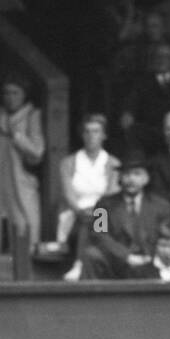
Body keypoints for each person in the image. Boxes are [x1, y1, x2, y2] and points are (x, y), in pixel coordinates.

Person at [0, 74, 45, 255]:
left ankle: (26, 260)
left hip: (20, 178)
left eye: (15, 93)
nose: (10, 97)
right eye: (7, 93)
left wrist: (18, 137)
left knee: (25, 220)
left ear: (24, 95)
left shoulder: (32, 115)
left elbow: (38, 151)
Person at [80, 152, 170, 279]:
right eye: (127, 174)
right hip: (117, 262)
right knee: (91, 254)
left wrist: (148, 257)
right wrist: (126, 256)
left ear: (146, 179)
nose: (131, 179)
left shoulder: (162, 206)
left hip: (150, 262)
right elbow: (98, 234)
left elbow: (167, 236)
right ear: (120, 178)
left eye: (137, 174)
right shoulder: (103, 204)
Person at [54, 113, 119, 279]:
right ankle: (80, 262)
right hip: (75, 214)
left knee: (96, 217)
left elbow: (111, 192)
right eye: (87, 131)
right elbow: (68, 193)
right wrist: (80, 210)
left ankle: (80, 263)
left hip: (103, 213)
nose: (91, 136)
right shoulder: (69, 162)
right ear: (82, 135)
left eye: (96, 131)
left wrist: (95, 209)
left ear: (104, 135)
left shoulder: (113, 163)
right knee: (86, 219)